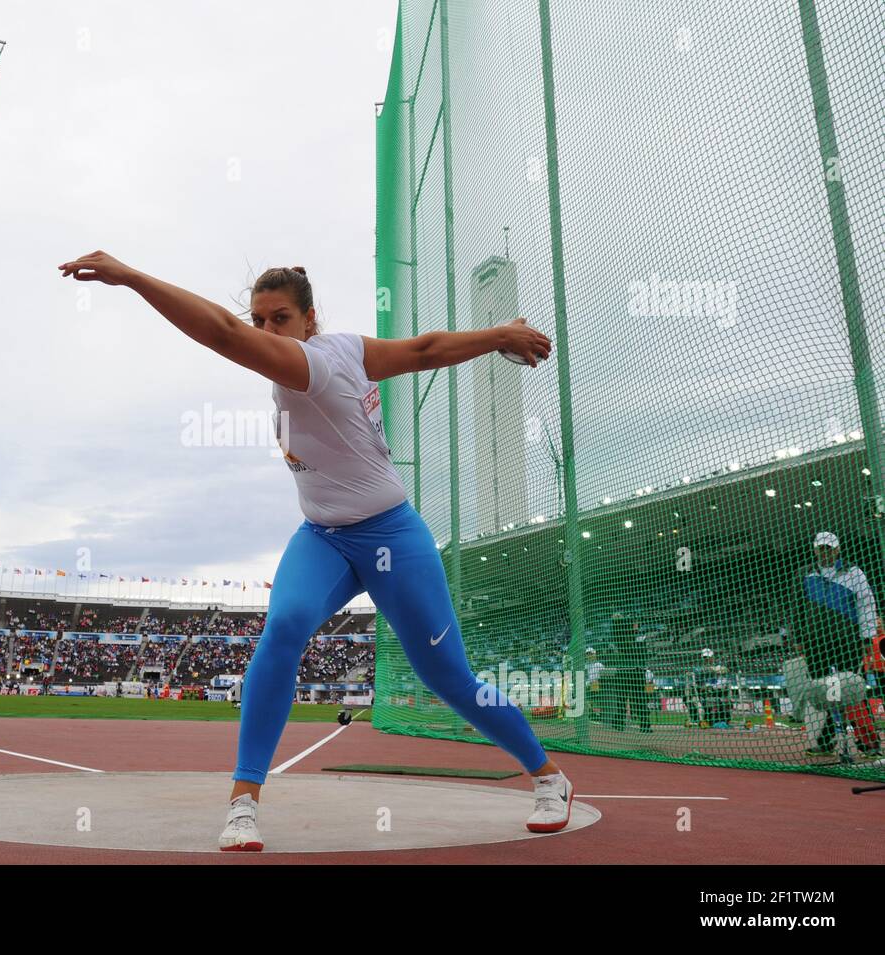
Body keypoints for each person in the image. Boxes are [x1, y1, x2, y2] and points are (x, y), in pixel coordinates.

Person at [58, 252, 571, 852]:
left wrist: (133, 277)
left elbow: (220, 333)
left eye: (279, 318)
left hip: (391, 535)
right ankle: (244, 801)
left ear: (308, 321)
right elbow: (425, 349)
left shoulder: (313, 367)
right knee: (284, 626)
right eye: (258, 320)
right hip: (323, 537)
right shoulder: (348, 349)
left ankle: (548, 777)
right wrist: (497, 335)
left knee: (446, 676)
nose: (265, 332)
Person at [793, 531, 881, 756]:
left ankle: (869, 744)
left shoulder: (854, 573)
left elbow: (867, 605)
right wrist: (797, 639)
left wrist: (866, 637)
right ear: (815, 550)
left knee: (852, 692)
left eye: (829, 548)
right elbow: (795, 609)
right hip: (815, 644)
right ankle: (824, 742)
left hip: (847, 641)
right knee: (821, 695)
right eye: (821, 548)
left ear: (838, 549)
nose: (825, 552)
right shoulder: (805, 574)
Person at [606, 614, 652, 733]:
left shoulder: (640, 636)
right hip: (626, 670)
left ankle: (644, 725)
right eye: (634, 623)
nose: (636, 625)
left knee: (639, 699)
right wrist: (617, 620)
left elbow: (643, 652)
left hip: (635, 671)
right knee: (622, 700)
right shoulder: (622, 636)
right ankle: (620, 724)